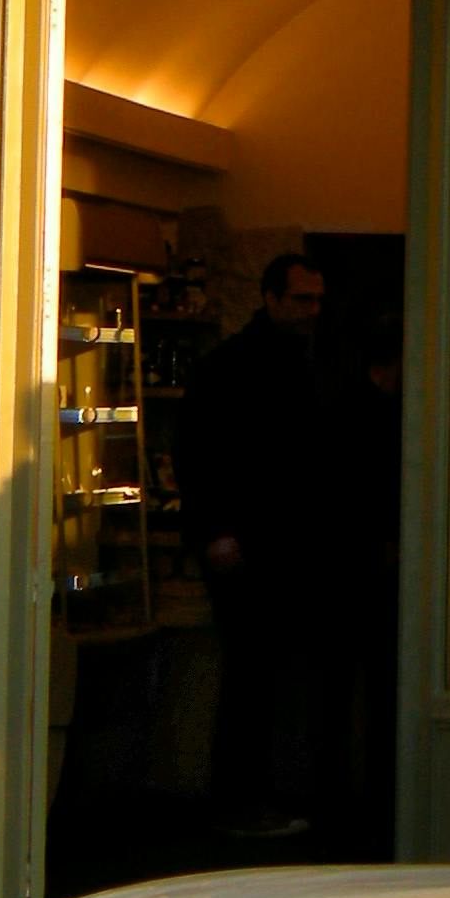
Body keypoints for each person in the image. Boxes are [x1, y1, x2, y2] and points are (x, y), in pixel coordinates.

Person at [182, 250, 329, 844]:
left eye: (317, 300)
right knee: (252, 677)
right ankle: (242, 800)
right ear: (270, 299)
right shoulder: (244, 366)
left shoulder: (276, 361)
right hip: (253, 544)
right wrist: (217, 531)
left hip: (266, 542)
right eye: (301, 299)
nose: (311, 311)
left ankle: (251, 796)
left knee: (258, 677)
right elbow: (198, 453)